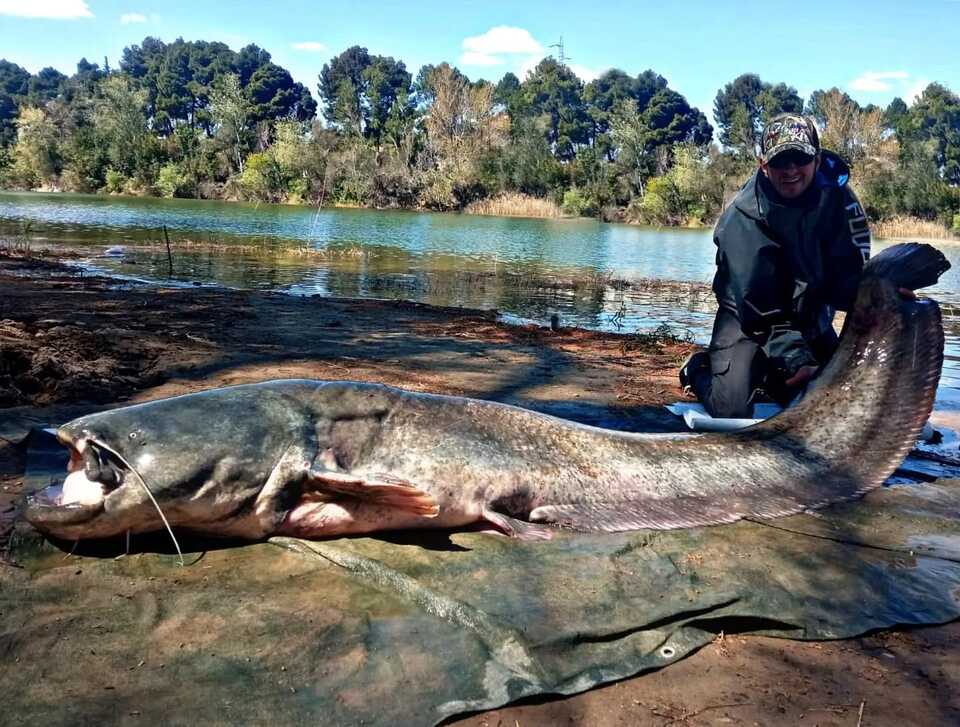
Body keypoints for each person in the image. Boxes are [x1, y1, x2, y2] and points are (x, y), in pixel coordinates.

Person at [680, 113, 871, 418]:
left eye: (800, 158)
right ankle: (698, 368)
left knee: (845, 400)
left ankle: (771, 373)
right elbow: (758, 305)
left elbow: (848, 274)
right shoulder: (744, 216)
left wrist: (880, 293)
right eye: (781, 161)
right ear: (763, 165)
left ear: (817, 161)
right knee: (731, 409)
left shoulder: (837, 199)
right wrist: (797, 358)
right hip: (748, 317)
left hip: (808, 316)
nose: (791, 170)